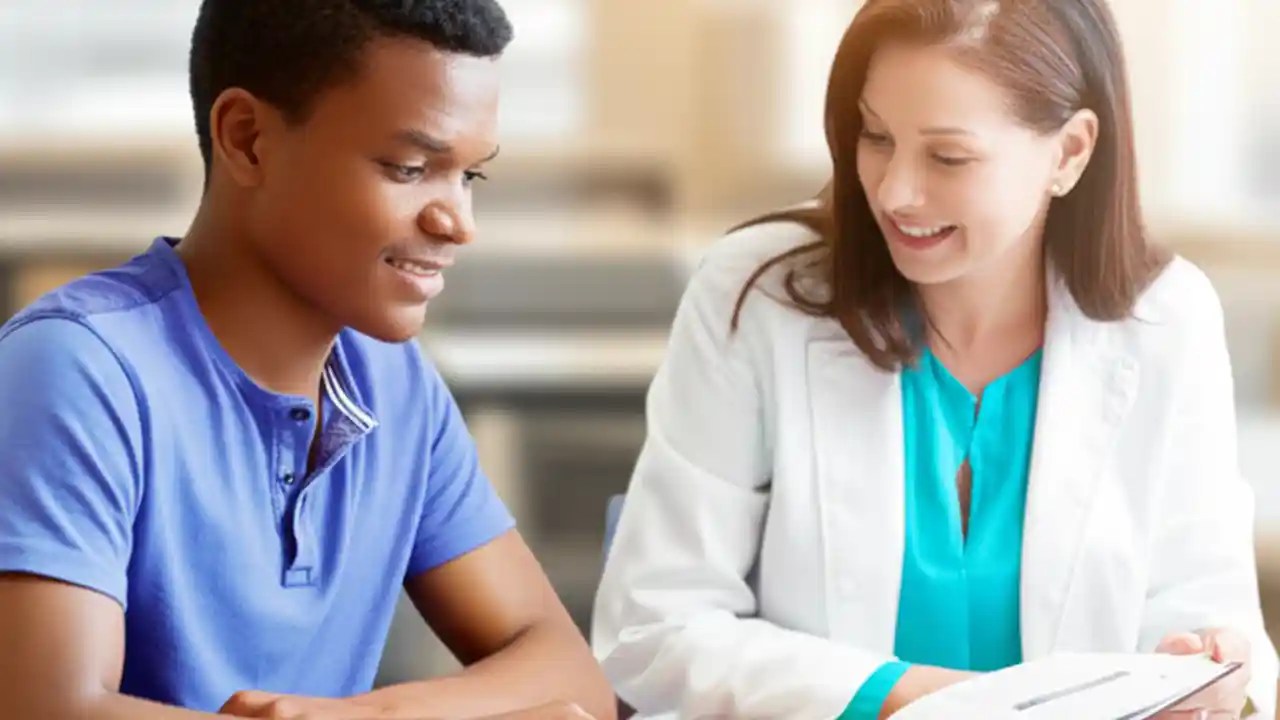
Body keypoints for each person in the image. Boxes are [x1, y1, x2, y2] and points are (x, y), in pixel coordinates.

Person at [592, 0, 1278, 718]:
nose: (895, 192)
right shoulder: (757, 296)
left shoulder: (1167, 318)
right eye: (876, 137)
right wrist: (963, 705)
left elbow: (1208, 604)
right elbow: (653, 629)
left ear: (1070, 152)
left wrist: (1212, 671)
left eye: (948, 156)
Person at [0, 1, 613, 719]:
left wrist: (357, 716)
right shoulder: (79, 368)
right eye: (410, 167)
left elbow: (572, 677)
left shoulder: (395, 385)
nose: (458, 223)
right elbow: (44, 707)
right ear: (248, 139)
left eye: (470, 177)